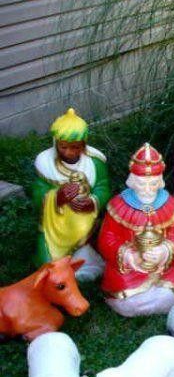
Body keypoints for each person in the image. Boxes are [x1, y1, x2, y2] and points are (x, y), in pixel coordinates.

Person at [98, 143, 174, 317]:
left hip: (164, 268)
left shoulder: (171, 205)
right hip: (129, 270)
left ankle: (163, 296)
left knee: (167, 297)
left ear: (160, 181)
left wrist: (165, 250)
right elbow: (107, 238)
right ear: (132, 181)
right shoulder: (118, 206)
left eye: (153, 184)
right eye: (141, 183)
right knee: (128, 303)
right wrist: (128, 256)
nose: (147, 189)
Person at [32, 108, 109, 280]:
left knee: (91, 254)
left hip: (85, 222)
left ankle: (84, 258)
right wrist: (57, 197)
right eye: (63, 147)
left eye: (75, 147)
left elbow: (103, 187)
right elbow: (37, 191)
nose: (69, 152)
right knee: (48, 265)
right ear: (56, 142)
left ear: (84, 144)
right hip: (55, 225)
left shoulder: (95, 162)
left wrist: (93, 201)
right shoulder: (45, 163)